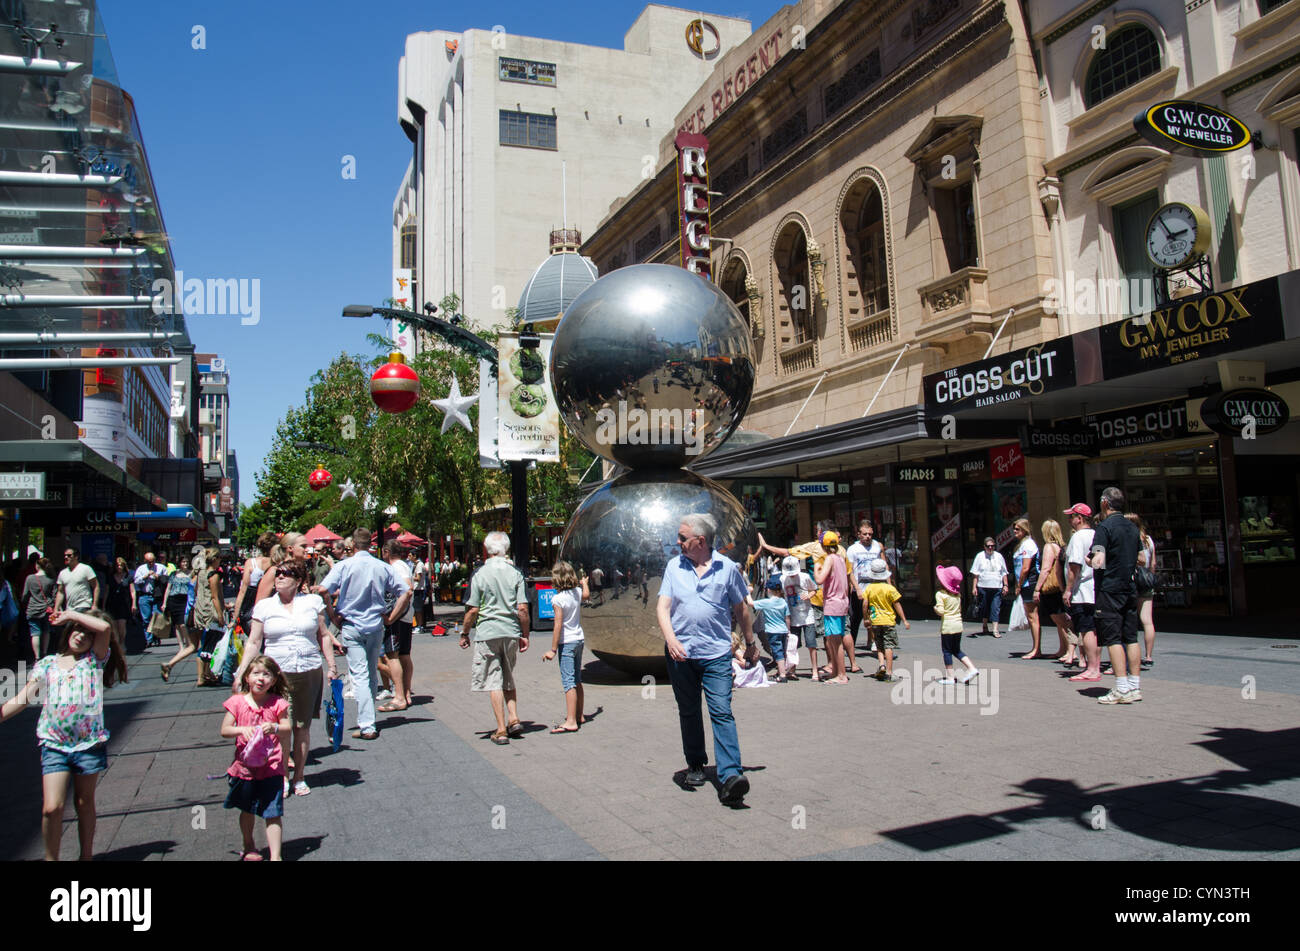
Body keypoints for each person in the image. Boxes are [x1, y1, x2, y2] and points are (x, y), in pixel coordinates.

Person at [1, 608, 123, 861]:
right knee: (51, 808)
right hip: (54, 744)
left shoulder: (94, 659)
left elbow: (105, 629)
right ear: (68, 631)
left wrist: (71, 614)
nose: (81, 636)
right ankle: (51, 858)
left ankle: (85, 857)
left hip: (89, 744)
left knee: (83, 802)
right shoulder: (47, 664)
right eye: (77, 630)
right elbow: (23, 699)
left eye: (87, 634)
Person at [658, 513, 755, 806]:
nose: (677, 542)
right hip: (681, 653)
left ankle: (730, 776)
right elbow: (663, 608)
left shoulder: (727, 569)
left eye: (682, 538)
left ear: (700, 541)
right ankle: (697, 764)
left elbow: (741, 610)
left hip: (716, 654)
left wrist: (751, 643)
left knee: (721, 711)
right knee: (688, 710)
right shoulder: (674, 566)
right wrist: (671, 639)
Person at [241, 560, 338, 795]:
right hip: (278, 675)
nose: (280, 577)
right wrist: (242, 671)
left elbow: (323, 635)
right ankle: (282, 776)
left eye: (287, 574)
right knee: (281, 728)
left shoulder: (313, 603)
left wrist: (332, 666)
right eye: (278, 573)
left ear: (299, 580)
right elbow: (254, 641)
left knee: (302, 727)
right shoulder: (264, 607)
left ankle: (300, 777)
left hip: (308, 669)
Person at [316, 528, 410, 740]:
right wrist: (391, 617)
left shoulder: (345, 566)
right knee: (368, 671)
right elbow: (405, 592)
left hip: (351, 625)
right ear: (371, 545)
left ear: (353, 546)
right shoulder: (381, 566)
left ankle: (367, 724)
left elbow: (323, 590)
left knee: (360, 674)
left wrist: (333, 614)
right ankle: (368, 719)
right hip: (375, 624)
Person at [459, 532, 529, 745]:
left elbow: (472, 610)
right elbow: (523, 608)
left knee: (493, 680)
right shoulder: (516, 573)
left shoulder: (479, 574)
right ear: (506, 549)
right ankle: (514, 717)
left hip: (488, 632)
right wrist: (524, 635)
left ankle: (500, 729)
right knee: (508, 675)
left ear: (487, 549)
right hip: (510, 631)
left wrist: (464, 633)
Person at [220, 655, 291, 861]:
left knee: (273, 811)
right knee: (247, 809)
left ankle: (275, 856)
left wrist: (275, 726)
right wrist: (243, 730)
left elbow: (287, 728)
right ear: (247, 678)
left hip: (272, 766)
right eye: (256, 674)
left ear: (274, 680)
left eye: (266, 674)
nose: (261, 679)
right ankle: (249, 843)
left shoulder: (278, 703)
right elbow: (225, 730)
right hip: (245, 768)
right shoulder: (237, 702)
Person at [1090, 487, 1143, 704]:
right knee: (1131, 637)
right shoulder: (1132, 527)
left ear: (1104, 503)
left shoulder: (1104, 527)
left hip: (1109, 589)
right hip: (1129, 587)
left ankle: (1121, 687)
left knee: (1112, 638)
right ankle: (1134, 686)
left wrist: (1089, 560)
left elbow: (1098, 560)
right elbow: (1141, 558)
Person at [541, 560, 590, 733]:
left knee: (568, 681)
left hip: (566, 642)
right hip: (579, 639)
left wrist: (552, 649)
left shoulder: (557, 599)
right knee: (577, 679)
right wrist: (584, 584)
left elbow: (558, 625)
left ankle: (571, 721)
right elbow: (586, 595)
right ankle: (579, 715)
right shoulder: (576, 592)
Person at [1062, 504, 1100, 682]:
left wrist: (1068, 589)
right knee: (1094, 629)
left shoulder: (1077, 537)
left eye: (1072, 516)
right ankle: (1095, 665)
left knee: (1087, 631)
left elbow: (1074, 566)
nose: (1070, 520)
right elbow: (1100, 564)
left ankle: (1093, 668)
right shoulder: (1097, 535)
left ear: (1080, 518)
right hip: (1096, 589)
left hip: (1082, 591)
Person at [379, 541, 415, 711]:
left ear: (386, 552)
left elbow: (408, 589)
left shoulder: (397, 567)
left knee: (391, 656)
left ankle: (400, 695)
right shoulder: (403, 565)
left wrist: (392, 616)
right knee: (403, 655)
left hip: (398, 617)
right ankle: (405, 694)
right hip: (405, 616)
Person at [861, 558, 909, 681]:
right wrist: (904, 620)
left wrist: (866, 618)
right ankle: (889, 672)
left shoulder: (869, 588)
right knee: (889, 646)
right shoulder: (890, 588)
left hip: (875, 621)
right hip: (888, 621)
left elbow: (865, 604)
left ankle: (881, 665)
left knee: (879, 645)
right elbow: (897, 604)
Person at [815, 531, 853, 685]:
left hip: (833, 603)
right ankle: (836, 672)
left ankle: (841, 675)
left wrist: (817, 567)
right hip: (841, 602)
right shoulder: (840, 558)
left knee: (835, 641)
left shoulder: (830, 559)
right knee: (832, 639)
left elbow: (819, 579)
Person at [845, 521, 883, 666]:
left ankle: (879, 646)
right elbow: (850, 571)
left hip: (875, 589)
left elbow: (882, 566)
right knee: (855, 620)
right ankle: (851, 650)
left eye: (870, 534)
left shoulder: (877, 547)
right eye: (865, 534)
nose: (868, 537)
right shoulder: (853, 549)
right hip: (859, 590)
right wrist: (856, 589)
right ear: (859, 534)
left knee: (877, 619)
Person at [1034, 520, 1072, 660]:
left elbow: (1045, 569)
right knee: (1059, 621)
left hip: (1052, 588)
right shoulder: (1061, 546)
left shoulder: (1049, 547)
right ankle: (1063, 649)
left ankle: (1069, 650)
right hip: (1060, 586)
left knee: (1060, 620)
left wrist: (1037, 588)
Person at [934, 565, 977, 685]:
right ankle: (971, 668)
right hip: (958, 625)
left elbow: (941, 611)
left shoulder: (940, 594)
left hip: (947, 626)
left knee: (947, 651)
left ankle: (950, 677)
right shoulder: (957, 595)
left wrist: (936, 608)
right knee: (957, 650)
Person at [1127, 512, 1157, 669]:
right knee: (1147, 620)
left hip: (1133, 581)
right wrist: (1150, 577)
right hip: (1146, 582)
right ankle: (1149, 655)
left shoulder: (1131, 539)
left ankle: (1132, 655)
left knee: (1130, 620)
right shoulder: (1148, 540)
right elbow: (1153, 563)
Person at [780, 555, 817, 679]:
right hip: (792, 614)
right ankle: (792, 669)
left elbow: (814, 589)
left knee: (811, 643)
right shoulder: (783, 579)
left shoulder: (805, 577)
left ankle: (815, 670)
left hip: (807, 614)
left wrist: (809, 595)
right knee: (793, 644)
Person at [750, 575, 792, 682]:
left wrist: (747, 593)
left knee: (777, 653)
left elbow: (751, 603)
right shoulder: (783, 602)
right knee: (782, 652)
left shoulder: (766, 602)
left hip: (772, 631)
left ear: (768, 590)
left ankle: (782, 675)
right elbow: (787, 618)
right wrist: (788, 630)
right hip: (783, 630)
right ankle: (780, 672)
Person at [1010, 518, 1042, 659]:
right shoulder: (1021, 545)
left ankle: (1037, 649)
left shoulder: (1028, 544)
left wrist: (1018, 584)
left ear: (1025, 530)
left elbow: (1025, 568)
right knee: (1030, 616)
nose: (1015, 531)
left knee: (1033, 616)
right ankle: (1035, 647)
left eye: (1018, 529)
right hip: (1024, 584)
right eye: (1014, 529)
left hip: (1029, 583)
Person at [235, 533, 276, 632]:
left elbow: (242, 591)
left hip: (251, 608)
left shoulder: (250, 563)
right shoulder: (276, 563)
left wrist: (235, 617)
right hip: (271, 607)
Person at [969, 537, 1009, 637]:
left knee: (995, 607)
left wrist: (1005, 585)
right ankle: (985, 625)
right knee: (984, 607)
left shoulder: (999, 556)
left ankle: (995, 629)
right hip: (983, 586)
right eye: (988, 546)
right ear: (984, 547)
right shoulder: (980, 556)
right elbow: (975, 574)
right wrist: (974, 587)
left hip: (997, 586)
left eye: (992, 546)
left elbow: (1004, 572)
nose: (990, 548)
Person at [21, 556, 56, 660]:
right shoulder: (51, 579)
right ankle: (44, 653)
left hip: (32, 609)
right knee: (46, 631)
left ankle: (37, 657)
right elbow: (54, 595)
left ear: (37, 566)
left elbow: (25, 595)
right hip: (47, 610)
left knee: (35, 634)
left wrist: (23, 604)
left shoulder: (30, 578)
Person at [104, 558, 133, 675]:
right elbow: (106, 591)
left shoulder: (128, 577)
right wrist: (103, 605)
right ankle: (116, 645)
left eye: (121, 565)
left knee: (122, 625)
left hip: (123, 604)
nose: (119, 567)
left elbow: (132, 591)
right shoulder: (110, 577)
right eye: (117, 565)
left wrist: (134, 603)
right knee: (114, 626)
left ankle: (122, 643)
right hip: (112, 603)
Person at [133, 552, 167, 647]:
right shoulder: (141, 569)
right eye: (149, 562)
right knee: (146, 618)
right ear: (145, 561)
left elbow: (166, 580)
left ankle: (156, 637)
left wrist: (157, 577)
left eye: (152, 561)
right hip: (145, 596)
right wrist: (146, 576)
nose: (151, 563)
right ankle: (149, 639)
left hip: (157, 596)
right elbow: (136, 581)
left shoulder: (161, 568)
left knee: (157, 618)